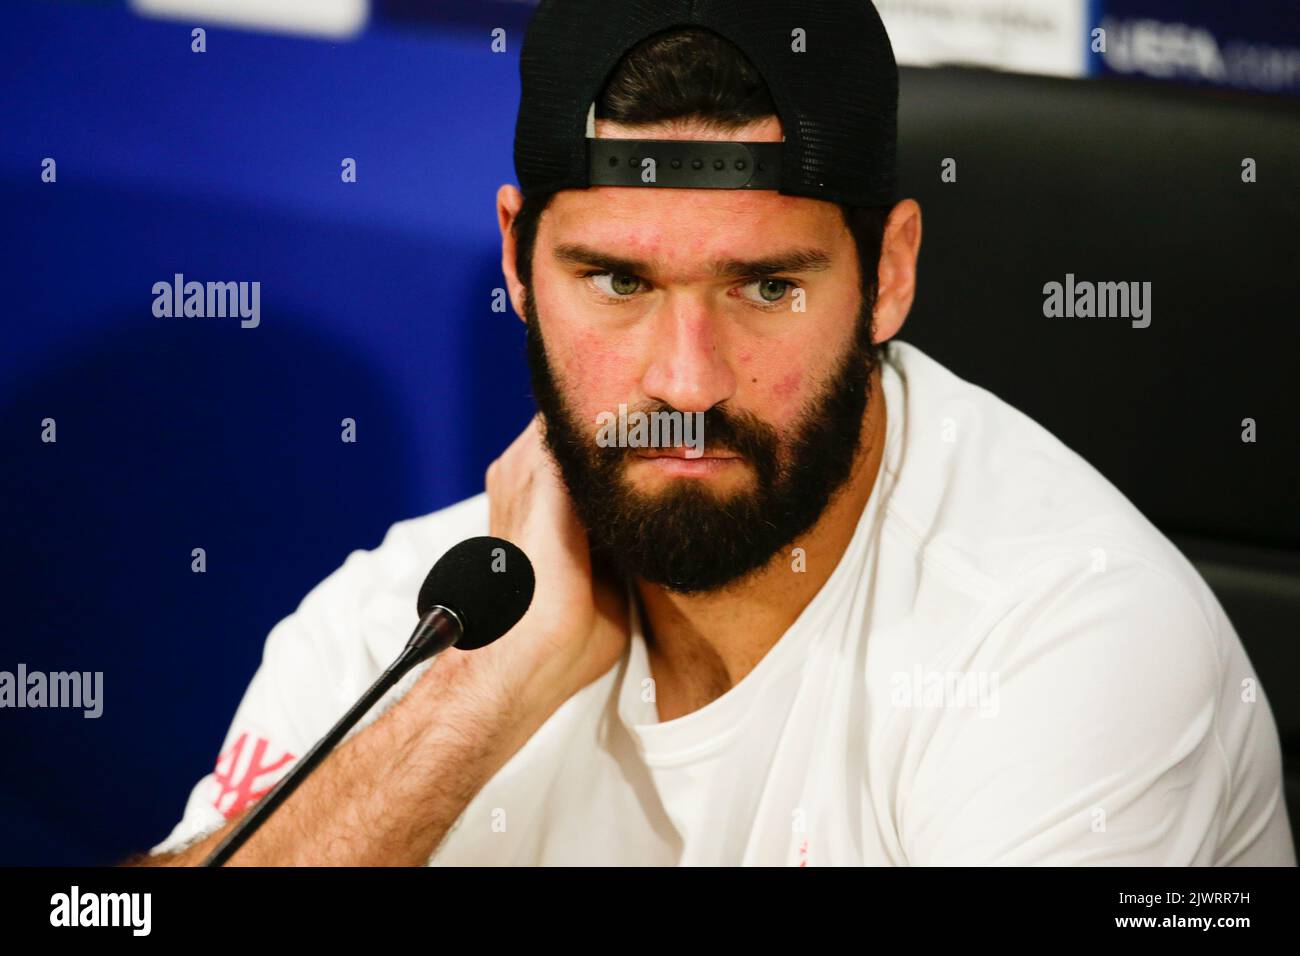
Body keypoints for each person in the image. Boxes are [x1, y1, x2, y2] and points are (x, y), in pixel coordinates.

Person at [133, 0, 1293, 866]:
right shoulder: (410, 620)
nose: (685, 378)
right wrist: (469, 708)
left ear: (887, 276)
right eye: (617, 280)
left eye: (766, 287)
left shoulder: (1072, 645)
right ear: (516, 263)